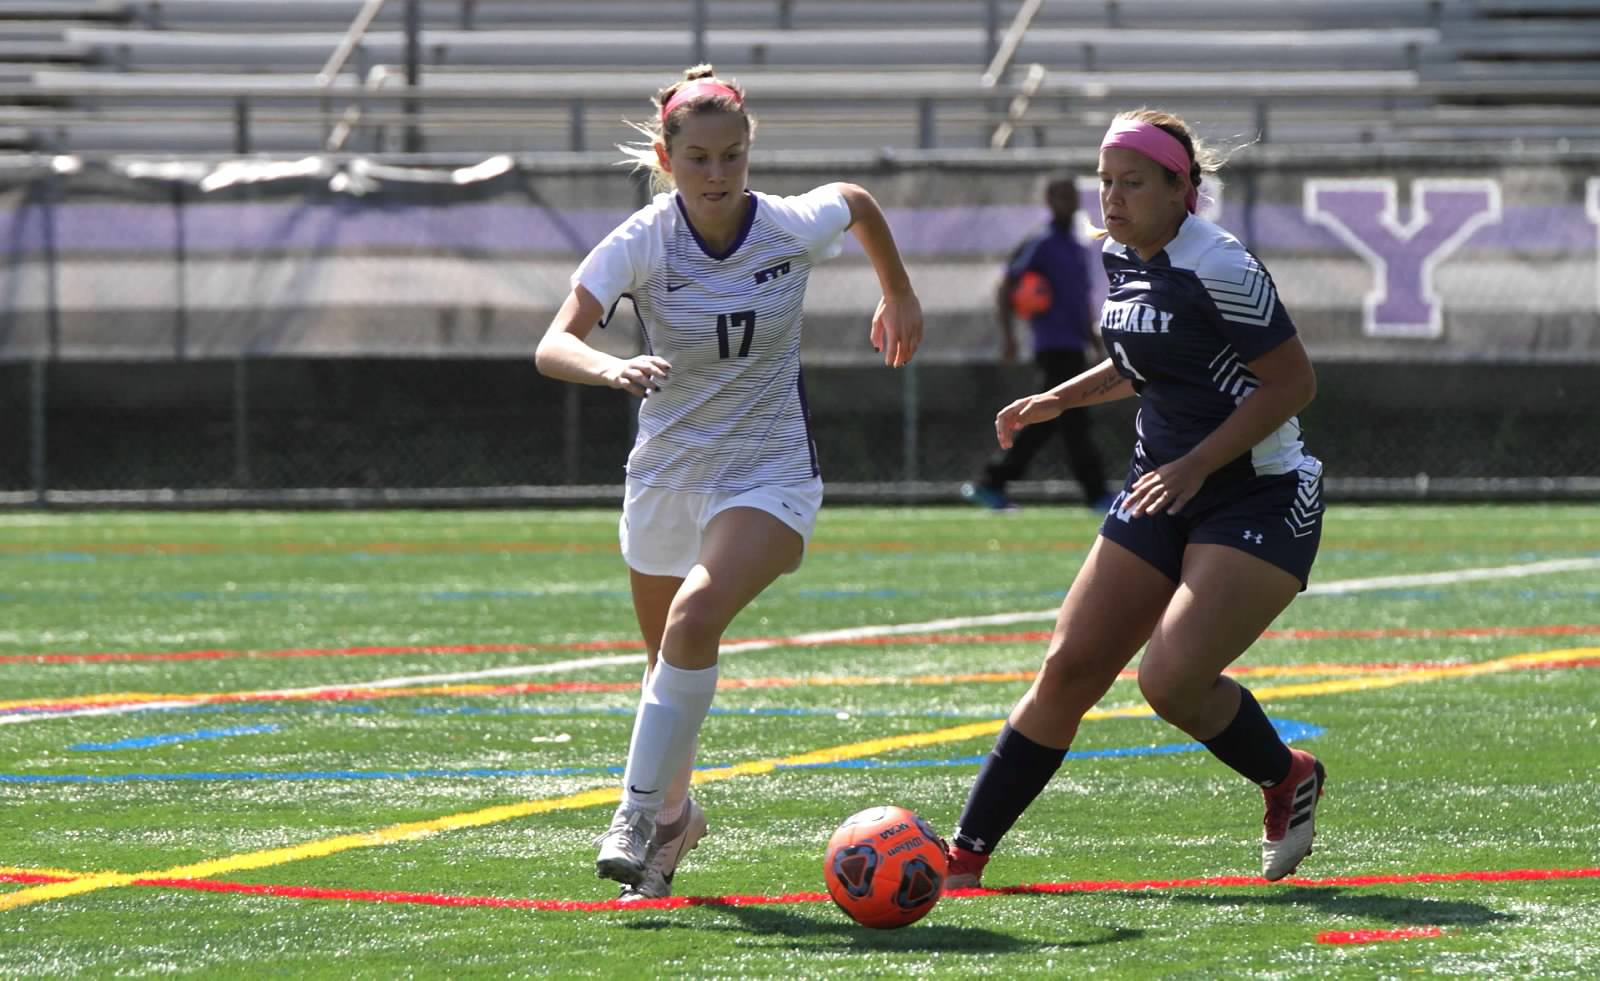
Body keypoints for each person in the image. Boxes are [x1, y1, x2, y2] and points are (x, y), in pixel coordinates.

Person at [534, 65, 923, 901]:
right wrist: (610, 367)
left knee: (695, 613)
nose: (718, 175)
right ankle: (676, 822)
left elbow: (854, 200)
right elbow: (552, 344)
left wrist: (899, 291)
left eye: (733, 157)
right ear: (668, 159)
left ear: (750, 154)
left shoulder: (785, 224)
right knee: (666, 662)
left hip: (769, 470)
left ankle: (633, 815)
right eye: (701, 159)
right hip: (667, 474)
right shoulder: (643, 238)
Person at [944, 109, 1327, 888]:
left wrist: (1197, 463)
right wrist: (1056, 398)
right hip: (1163, 485)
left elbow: (1293, 383)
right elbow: (1144, 357)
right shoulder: (1120, 251)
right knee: (1069, 667)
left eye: (1132, 183)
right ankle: (964, 856)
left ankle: (1284, 775)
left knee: (1170, 679)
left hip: (1257, 495)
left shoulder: (1221, 263)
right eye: (1105, 181)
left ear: (1182, 190)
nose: (1111, 199)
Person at [961, 175, 1112, 512]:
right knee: (1072, 420)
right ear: (1048, 200)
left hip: (1074, 343)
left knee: (1051, 421)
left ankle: (993, 482)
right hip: (1052, 344)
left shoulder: (1076, 245)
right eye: (1060, 197)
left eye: (1072, 197)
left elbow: (1080, 299)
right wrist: (1009, 336)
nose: (1068, 203)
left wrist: (1093, 339)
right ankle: (1097, 494)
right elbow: (1006, 286)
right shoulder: (1041, 242)